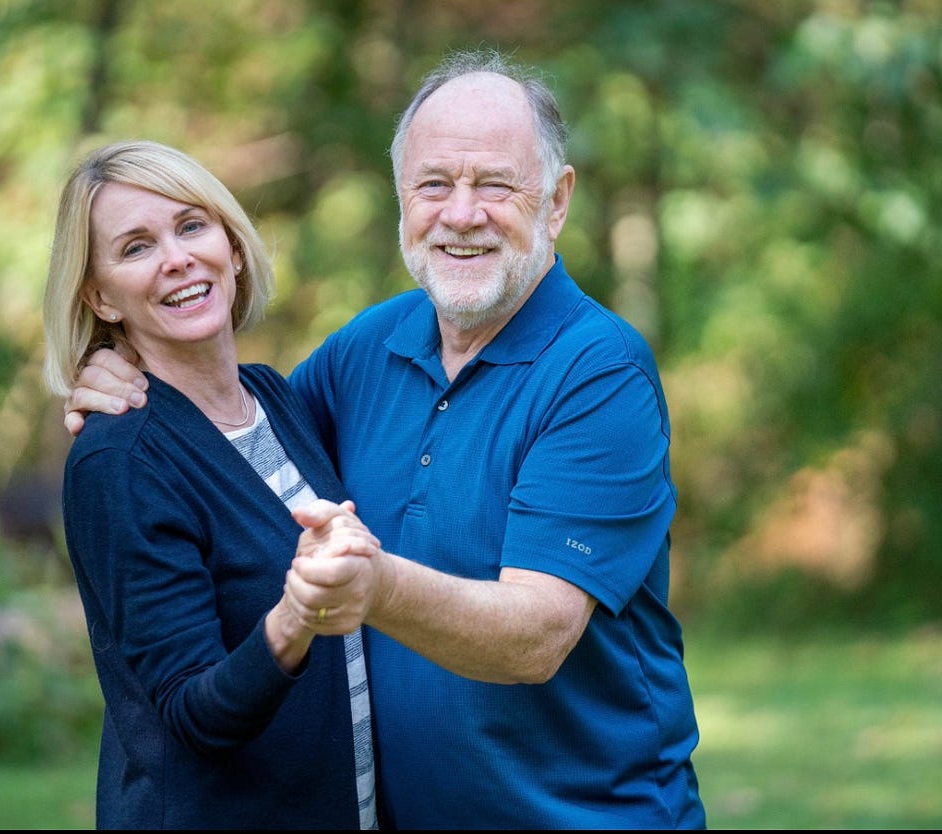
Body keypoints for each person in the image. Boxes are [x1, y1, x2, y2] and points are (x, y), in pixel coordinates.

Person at [65, 50, 707, 829]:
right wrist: (117, 368)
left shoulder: (598, 373)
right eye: (433, 184)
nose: (461, 214)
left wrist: (375, 589)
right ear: (402, 199)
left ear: (557, 201)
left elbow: (536, 637)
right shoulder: (364, 353)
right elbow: (231, 460)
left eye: (495, 185)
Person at [41, 139, 381, 829]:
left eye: (191, 225)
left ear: (231, 245)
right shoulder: (121, 461)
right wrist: (296, 615)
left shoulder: (275, 398)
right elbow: (191, 715)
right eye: (136, 247)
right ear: (101, 296)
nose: (177, 258)